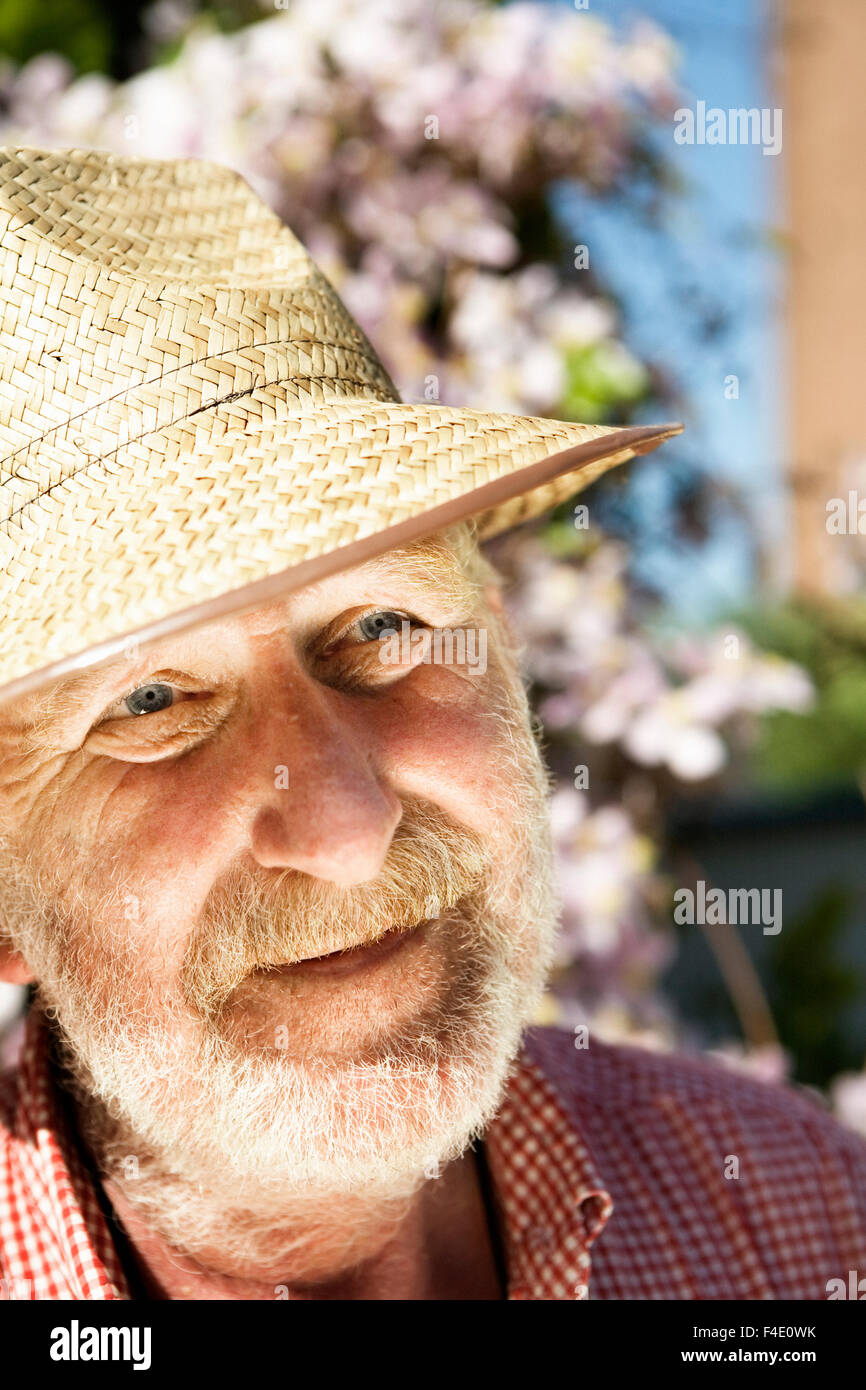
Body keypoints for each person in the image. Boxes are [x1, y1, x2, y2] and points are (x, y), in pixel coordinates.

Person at [0, 146, 862, 1301]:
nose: (347, 829)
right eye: (150, 701)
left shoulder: (799, 1221)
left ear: (499, 654)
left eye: (381, 627)